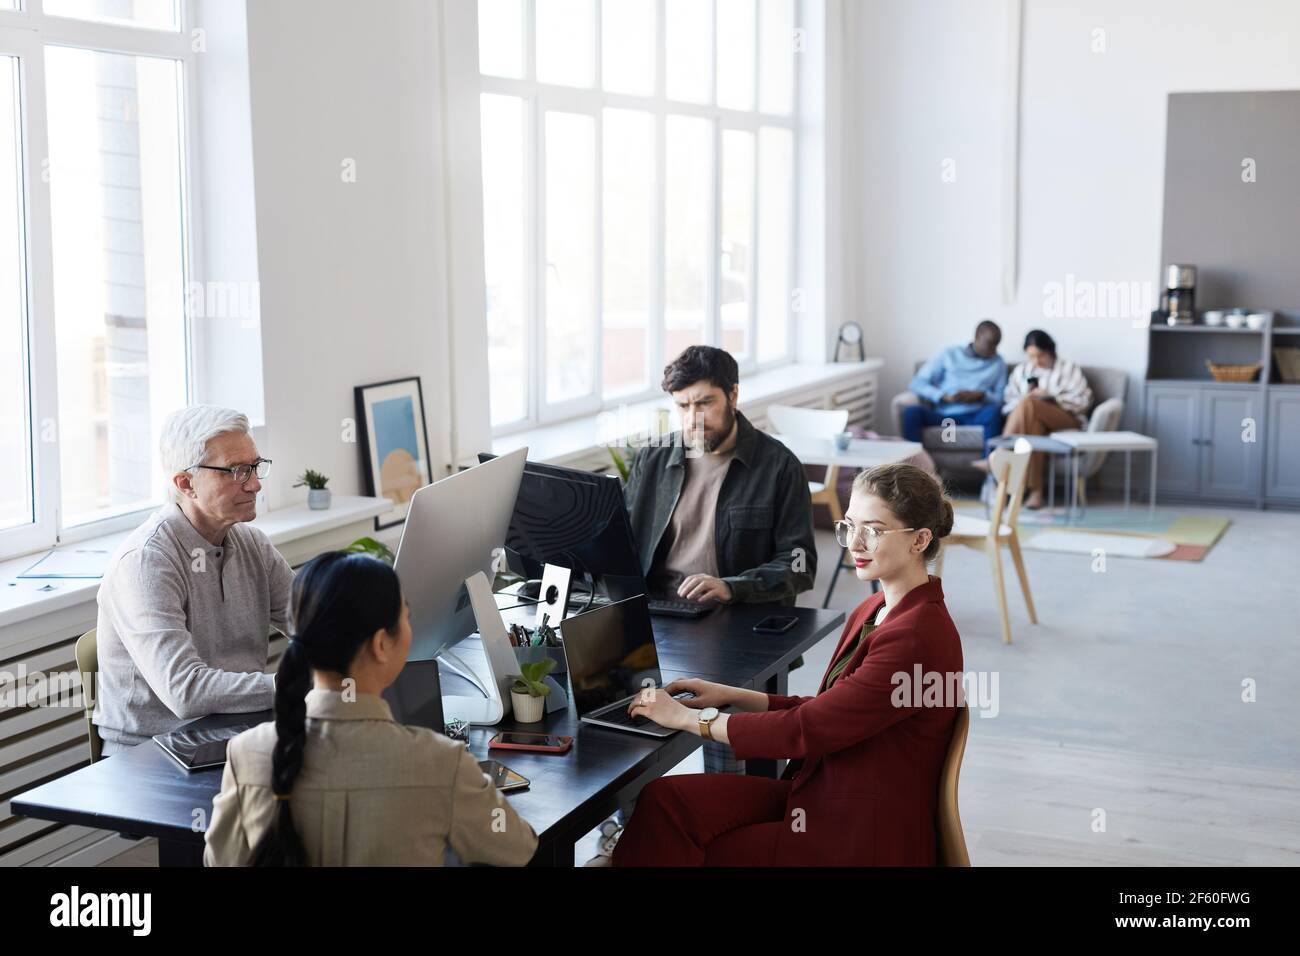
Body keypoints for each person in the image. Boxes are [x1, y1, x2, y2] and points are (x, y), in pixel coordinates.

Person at [610, 463, 963, 866]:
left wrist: (692, 720)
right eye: (850, 526)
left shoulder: (916, 637)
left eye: (875, 530)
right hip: (824, 792)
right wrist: (732, 695)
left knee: (700, 851)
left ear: (919, 540)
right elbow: (827, 712)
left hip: (859, 829)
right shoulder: (876, 607)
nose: (855, 543)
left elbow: (808, 729)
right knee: (666, 801)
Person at [204, 552, 538, 866]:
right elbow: (518, 849)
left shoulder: (246, 754)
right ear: (381, 644)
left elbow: (219, 860)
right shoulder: (441, 762)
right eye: (405, 617)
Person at [94, 406, 292, 754]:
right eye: (237, 471)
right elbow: (184, 691)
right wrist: (292, 685)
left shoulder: (253, 545)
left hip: (236, 735)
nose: (256, 483)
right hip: (150, 756)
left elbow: (317, 626)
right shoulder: (145, 562)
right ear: (186, 484)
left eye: (255, 467)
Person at [624, 345, 817, 607]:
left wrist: (732, 587)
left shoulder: (779, 467)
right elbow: (621, 540)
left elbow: (800, 562)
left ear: (733, 395)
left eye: (705, 403)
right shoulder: (653, 459)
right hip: (660, 610)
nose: (694, 419)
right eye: (683, 406)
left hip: (738, 615)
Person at [975, 329, 1093, 510]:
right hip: (1031, 421)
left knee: (1029, 402)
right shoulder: (1022, 371)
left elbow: (1083, 401)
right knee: (1032, 422)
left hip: (1065, 418)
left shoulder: (1068, 368)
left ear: (1051, 351)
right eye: (1031, 357)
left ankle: (1000, 451)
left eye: (1041, 356)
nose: (1036, 361)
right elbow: (1008, 401)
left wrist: (1051, 397)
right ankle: (1036, 493)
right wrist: (1026, 406)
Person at [901, 320, 1008, 448]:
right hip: (944, 415)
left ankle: (990, 464)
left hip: (975, 415)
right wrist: (943, 396)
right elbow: (916, 383)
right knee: (912, 412)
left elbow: (1000, 399)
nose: (994, 350)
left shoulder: (998, 363)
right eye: (990, 344)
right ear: (977, 337)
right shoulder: (949, 353)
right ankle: (914, 465)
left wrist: (982, 395)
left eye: (996, 345)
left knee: (993, 412)